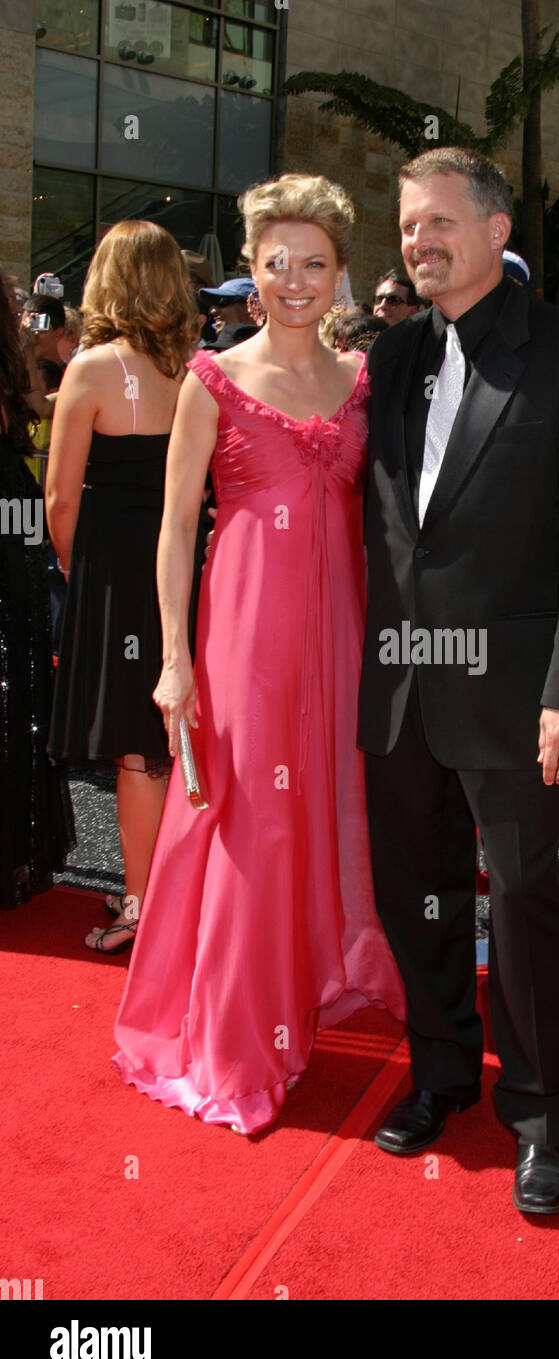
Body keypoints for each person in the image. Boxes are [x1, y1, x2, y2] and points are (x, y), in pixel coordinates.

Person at [360, 146, 559, 1215]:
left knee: (520, 902)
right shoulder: (390, 360)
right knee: (415, 891)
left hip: (519, 695)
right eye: (405, 229)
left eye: (437, 223)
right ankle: (439, 1072)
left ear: (495, 230)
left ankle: (539, 1112)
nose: (418, 243)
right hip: (399, 687)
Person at [112, 174, 405, 1133]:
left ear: (341, 275)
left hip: (344, 633)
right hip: (243, 637)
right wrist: (172, 659)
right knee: (253, 820)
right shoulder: (212, 379)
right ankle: (241, 1039)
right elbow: (170, 531)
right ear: (250, 266)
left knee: (328, 798)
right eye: (277, 261)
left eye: (314, 263)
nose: (294, 278)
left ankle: (329, 966)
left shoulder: (366, 382)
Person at [46, 220, 205, 952]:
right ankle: (189, 897)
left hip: (114, 567)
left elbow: (60, 503)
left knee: (137, 754)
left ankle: (143, 906)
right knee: (180, 740)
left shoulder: (92, 368)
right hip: (189, 567)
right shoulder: (203, 368)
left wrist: (81, 575)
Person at [0, 270, 75, 909]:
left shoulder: (17, 350)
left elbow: (43, 407)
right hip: (15, 505)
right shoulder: (16, 348)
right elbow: (42, 409)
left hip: (13, 509)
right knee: (20, 658)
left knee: (21, 653)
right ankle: (19, 848)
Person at [197, 277, 260, 352]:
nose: (213, 311)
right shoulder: (212, 357)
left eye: (223, 302)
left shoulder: (274, 349)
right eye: (213, 305)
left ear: (251, 305)